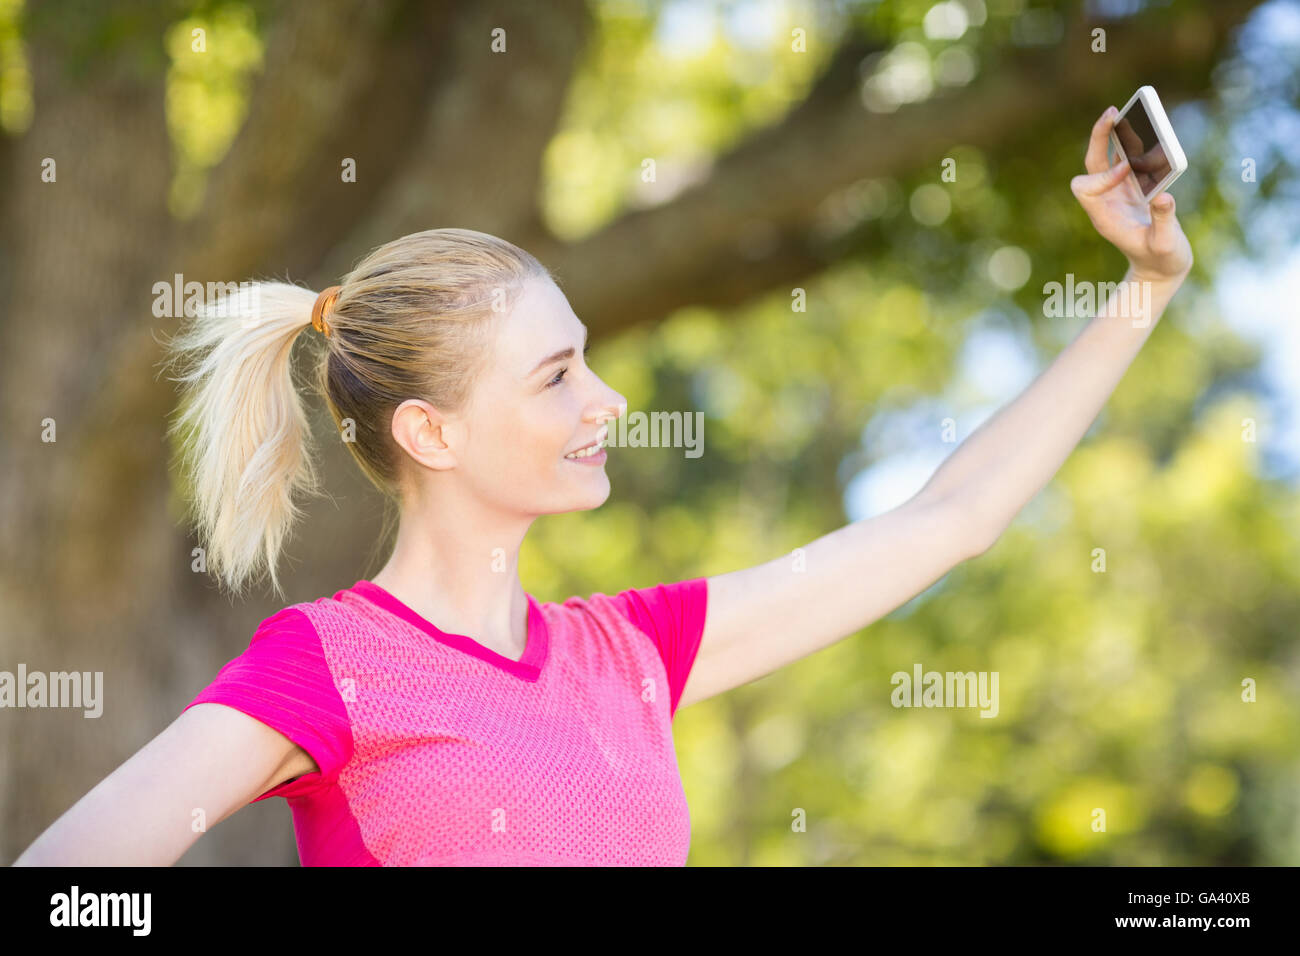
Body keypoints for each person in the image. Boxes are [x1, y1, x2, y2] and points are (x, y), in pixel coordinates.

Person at [13, 107, 1192, 866]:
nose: (608, 400)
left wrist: (1141, 287)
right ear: (433, 430)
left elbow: (952, 517)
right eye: (557, 374)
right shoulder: (323, 666)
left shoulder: (631, 652)